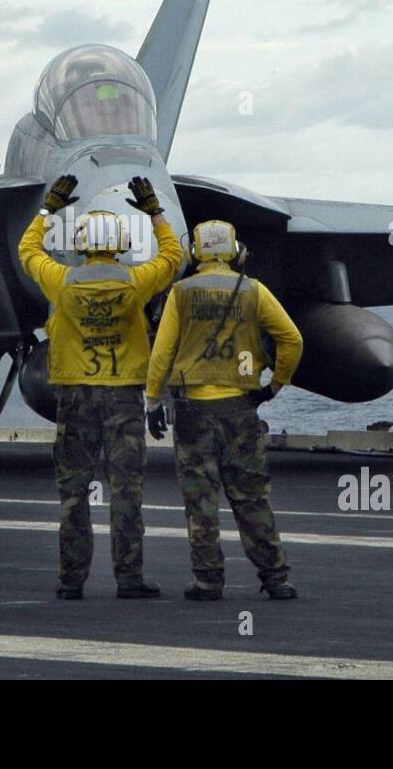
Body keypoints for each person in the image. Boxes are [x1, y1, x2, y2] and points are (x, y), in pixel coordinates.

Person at [18, 174, 184, 600]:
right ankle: (129, 579)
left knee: (73, 493)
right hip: (124, 398)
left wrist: (47, 209)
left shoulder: (61, 280)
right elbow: (173, 255)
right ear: (120, 242)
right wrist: (155, 211)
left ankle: (71, 581)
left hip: (74, 398)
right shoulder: (136, 282)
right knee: (127, 491)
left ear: (81, 243)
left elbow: (27, 250)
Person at [145, 220, 303, 601]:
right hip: (242, 409)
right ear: (235, 251)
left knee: (201, 502)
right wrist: (275, 385)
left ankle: (208, 581)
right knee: (251, 497)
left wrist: (152, 399)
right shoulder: (254, 291)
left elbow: (162, 352)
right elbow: (291, 338)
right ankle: (276, 578)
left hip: (194, 412)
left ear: (196, 253)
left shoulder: (180, 293)